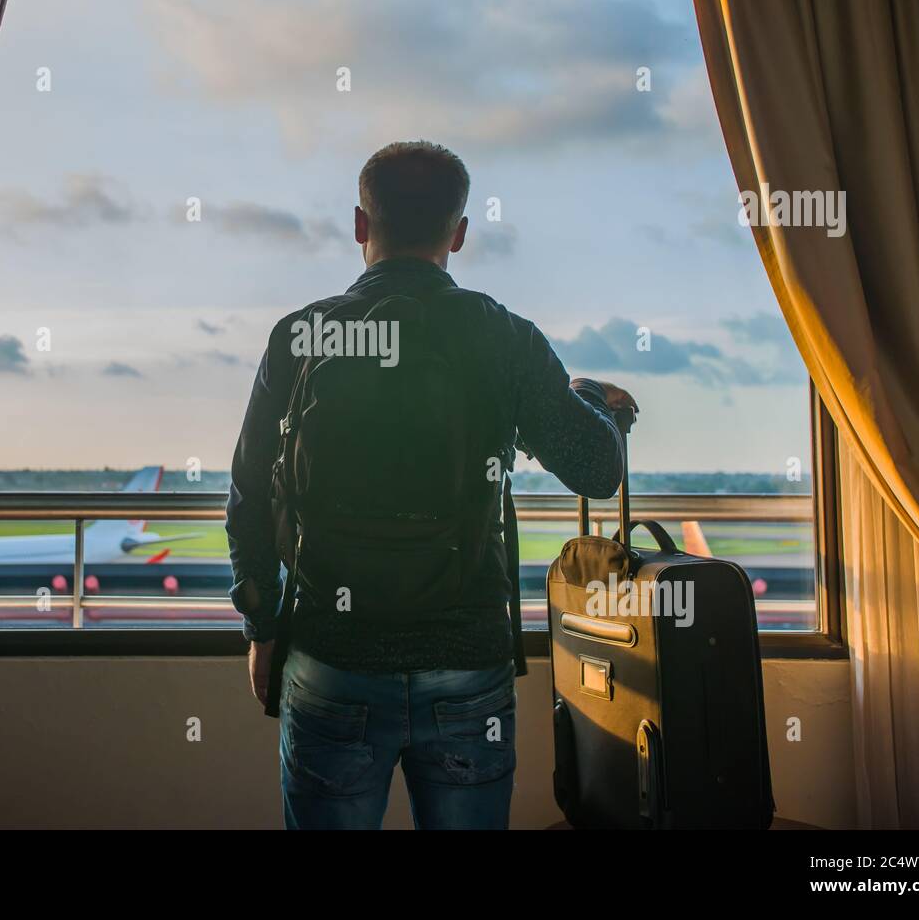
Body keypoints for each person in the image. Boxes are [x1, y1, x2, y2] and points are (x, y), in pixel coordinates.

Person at [225, 140, 635, 829]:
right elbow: (595, 469)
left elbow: (245, 499)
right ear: (460, 233)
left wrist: (264, 629)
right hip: (467, 664)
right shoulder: (502, 335)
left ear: (361, 224)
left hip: (331, 659)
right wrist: (596, 400)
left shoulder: (301, 336)